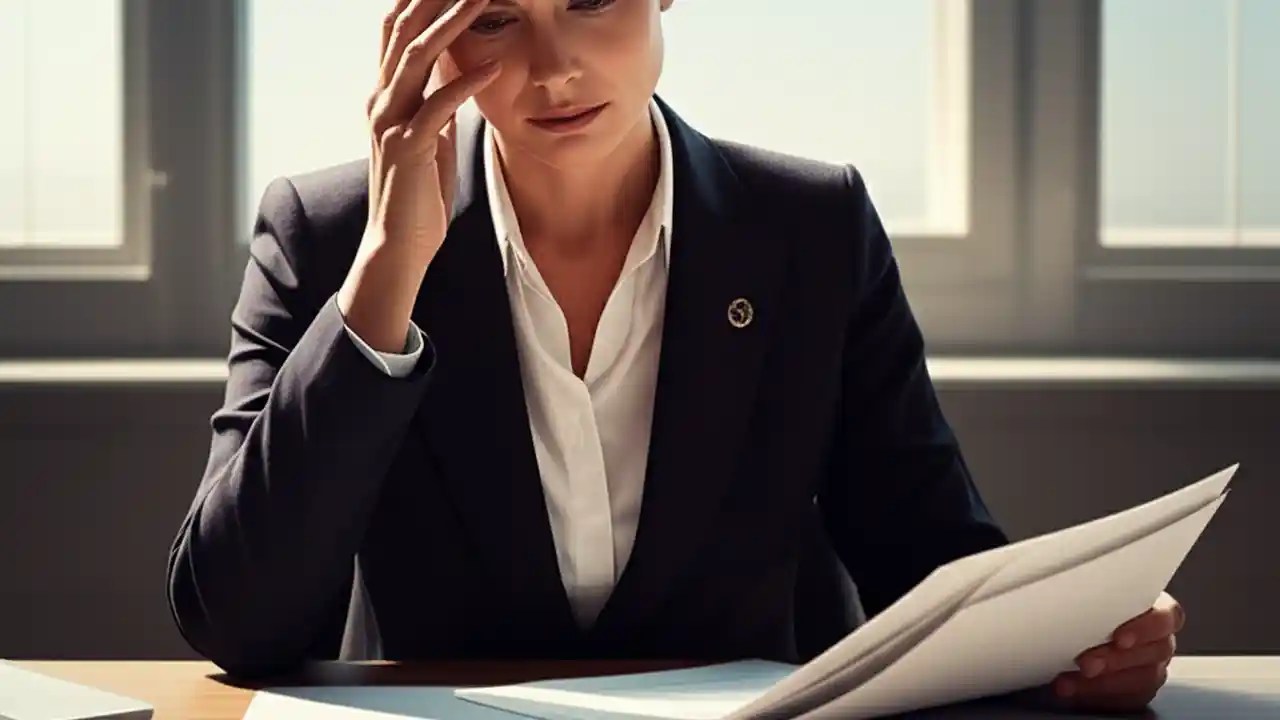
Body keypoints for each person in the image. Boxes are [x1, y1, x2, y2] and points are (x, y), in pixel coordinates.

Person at [166, 0, 1184, 711]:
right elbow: (240, 622)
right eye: (491, 20)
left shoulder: (810, 227)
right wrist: (389, 270)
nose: (552, 65)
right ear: (419, 37)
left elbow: (926, 557)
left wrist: (1079, 634)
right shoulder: (323, 233)